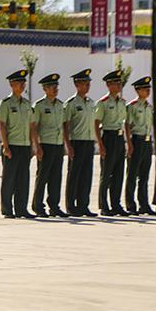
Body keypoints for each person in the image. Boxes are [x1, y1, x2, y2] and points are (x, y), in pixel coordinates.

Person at [0, 69, 35, 218]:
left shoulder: (27, 104)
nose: (22, 85)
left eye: (23, 82)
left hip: (25, 146)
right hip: (11, 145)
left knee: (23, 179)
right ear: (11, 84)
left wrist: (33, 145)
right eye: (19, 82)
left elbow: (32, 126)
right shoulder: (6, 103)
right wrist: (5, 146)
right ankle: (7, 209)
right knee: (9, 179)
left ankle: (22, 209)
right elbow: (2, 125)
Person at [30, 74, 67, 217]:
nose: (55, 89)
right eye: (52, 87)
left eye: (56, 86)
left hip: (58, 144)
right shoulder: (39, 106)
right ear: (45, 89)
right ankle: (38, 206)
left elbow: (63, 125)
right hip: (45, 144)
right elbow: (34, 126)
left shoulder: (60, 105)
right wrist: (36, 146)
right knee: (43, 177)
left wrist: (64, 144)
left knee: (56, 177)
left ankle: (54, 206)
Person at [63, 69, 97, 217]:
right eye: (84, 83)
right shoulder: (70, 103)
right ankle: (71, 206)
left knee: (86, 175)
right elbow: (65, 125)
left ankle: (83, 205)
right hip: (76, 142)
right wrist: (68, 145)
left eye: (88, 83)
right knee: (74, 175)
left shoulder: (91, 103)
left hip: (89, 142)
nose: (87, 86)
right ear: (77, 85)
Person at [94, 70, 128, 216]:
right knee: (106, 173)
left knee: (119, 173)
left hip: (120, 139)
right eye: (116, 83)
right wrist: (100, 144)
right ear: (108, 85)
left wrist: (127, 142)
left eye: (120, 83)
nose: (119, 86)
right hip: (108, 137)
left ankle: (116, 204)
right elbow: (96, 124)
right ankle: (104, 205)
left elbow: (124, 122)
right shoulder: (103, 103)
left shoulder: (122, 102)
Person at [124, 76, 155, 215]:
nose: (148, 91)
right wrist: (129, 144)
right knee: (132, 174)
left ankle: (144, 204)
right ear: (138, 90)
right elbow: (127, 125)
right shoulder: (132, 106)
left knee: (144, 175)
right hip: (136, 140)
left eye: (149, 89)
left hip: (148, 141)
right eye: (145, 89)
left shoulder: (149, 106)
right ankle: (131, 205)